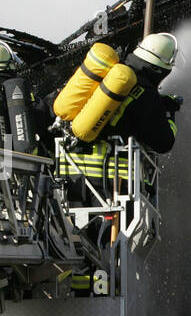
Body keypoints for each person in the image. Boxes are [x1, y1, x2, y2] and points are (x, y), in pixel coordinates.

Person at [57, 32, 181, 203]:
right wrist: (168, 113)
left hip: (70, 178)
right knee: (107, 231)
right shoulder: (144, 91)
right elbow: (163, 142)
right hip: (112, 185)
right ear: (160, 69)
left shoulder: (111, 74)